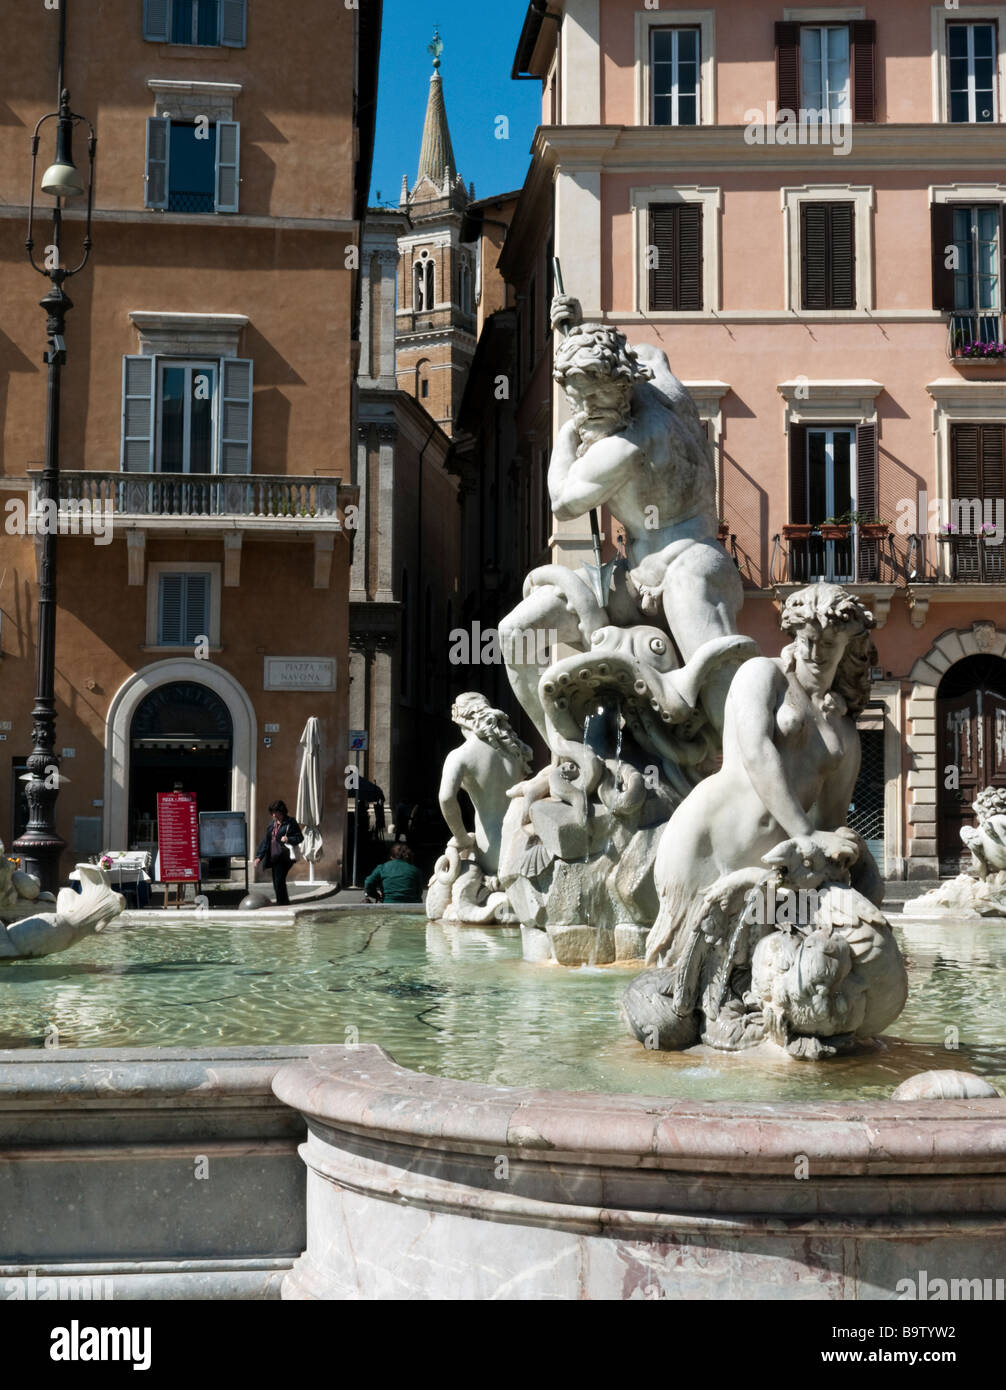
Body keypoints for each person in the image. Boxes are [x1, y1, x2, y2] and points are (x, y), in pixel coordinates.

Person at [254, 800, 303, 907]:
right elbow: (266, 842)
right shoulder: (272, 825)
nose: (273, 815)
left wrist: (288, 838)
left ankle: (283, 903)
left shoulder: (290, 822)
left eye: (275, 812)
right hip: (274, 856)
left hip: (285, 856)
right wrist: (258, 857)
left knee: (279, 879)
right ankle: (282, 902)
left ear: (281, 812)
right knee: (277, 881)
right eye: (272, 812)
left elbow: (300, 837)